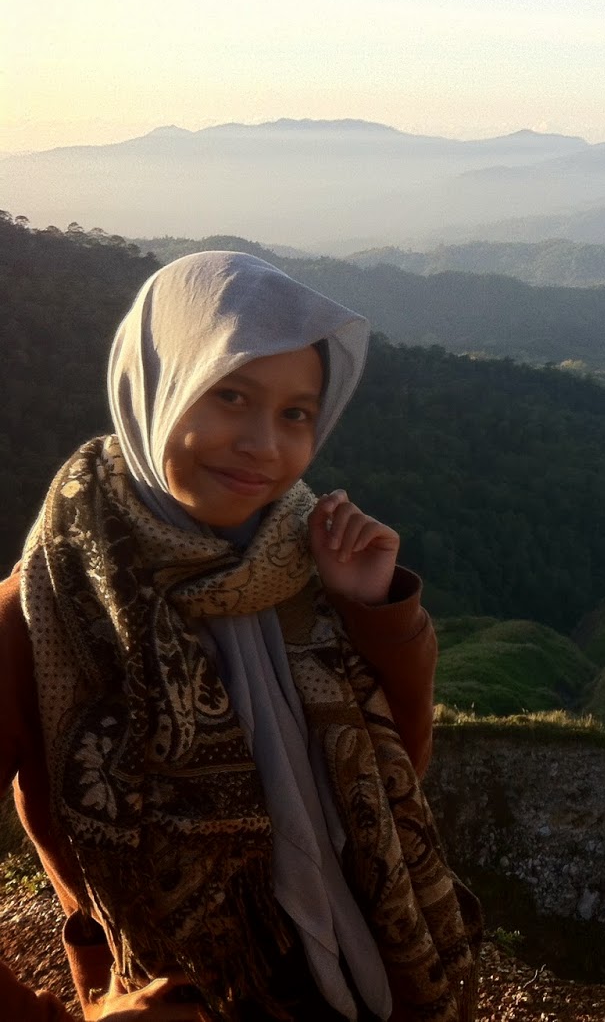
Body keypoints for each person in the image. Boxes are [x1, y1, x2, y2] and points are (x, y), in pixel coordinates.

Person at [0, 252, 479, 1021]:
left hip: (373, 979)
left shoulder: (302, 563)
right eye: (230, 395)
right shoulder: (44, 611)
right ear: (159, 384)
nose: (265, 444)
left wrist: (374, 610)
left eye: (297, 413)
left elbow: (395, 779)